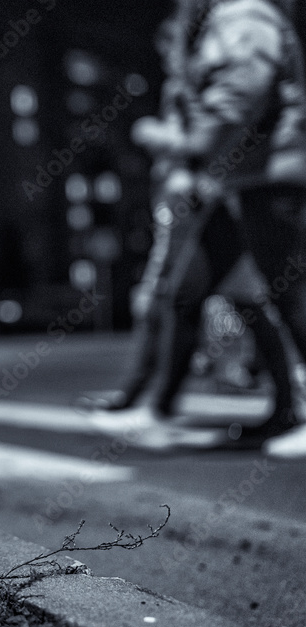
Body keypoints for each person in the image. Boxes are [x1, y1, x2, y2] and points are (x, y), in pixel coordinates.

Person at [95, 0, 304, 439]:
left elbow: (237, 100)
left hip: (270, 174)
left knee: (288, 295)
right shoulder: (220, 25)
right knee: (190, 292)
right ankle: (161, 406)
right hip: (237, 181)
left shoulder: (244, 16)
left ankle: (286, 407)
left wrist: (176, 140)